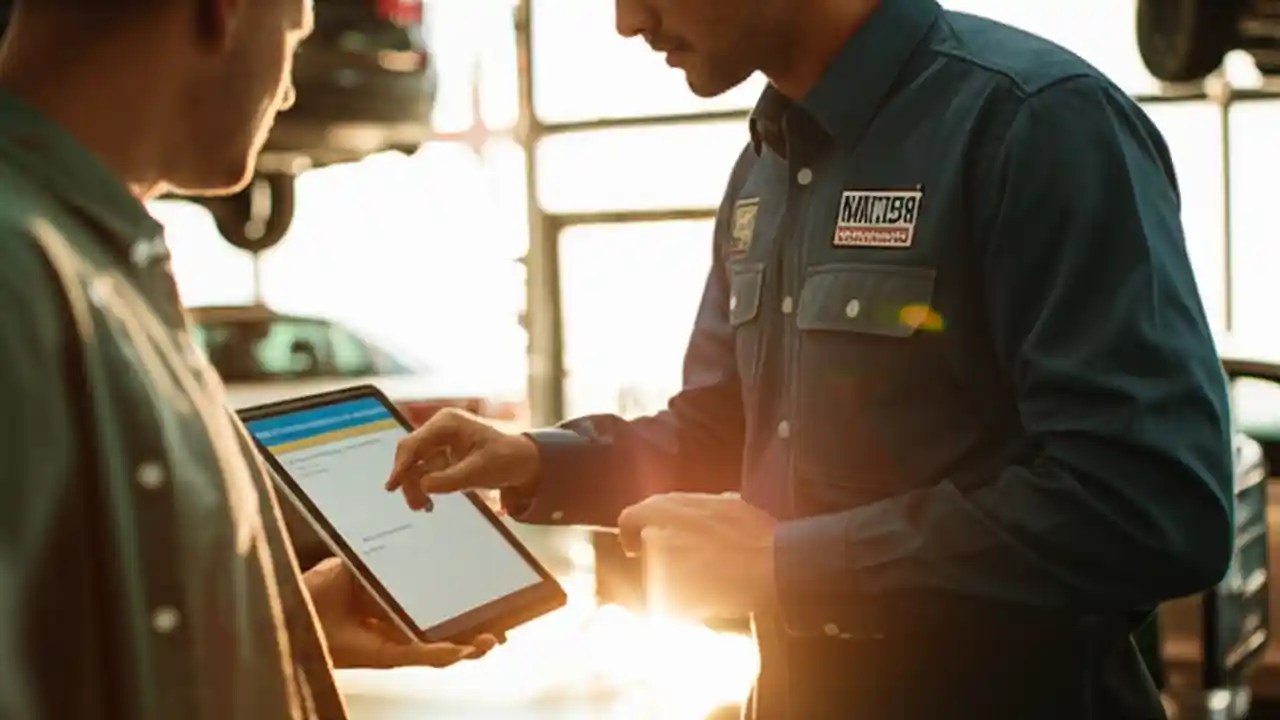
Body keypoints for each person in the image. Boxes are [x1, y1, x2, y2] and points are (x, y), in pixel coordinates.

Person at [387, 0, 1236, 717]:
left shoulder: (1034, 122)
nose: (626, 20)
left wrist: (791, 563)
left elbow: (1151, 503)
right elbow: (729, 433)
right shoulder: (764, 166)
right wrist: (540, 461)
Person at [0, 1, 496, 718]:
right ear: (222, 11)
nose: (288, 89)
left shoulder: (98, 264)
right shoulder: (21, 274)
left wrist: (273, 619)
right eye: (293, 35)